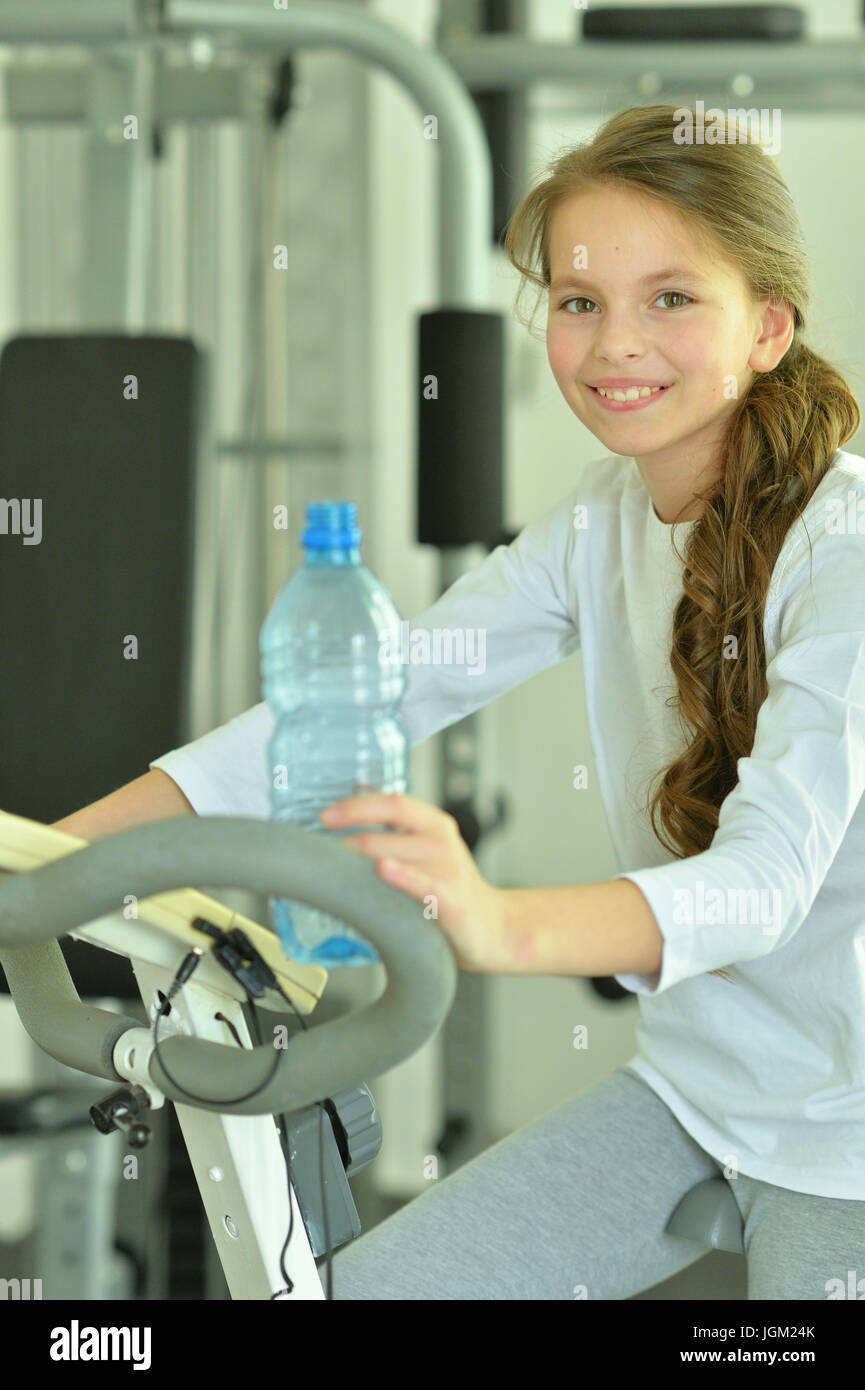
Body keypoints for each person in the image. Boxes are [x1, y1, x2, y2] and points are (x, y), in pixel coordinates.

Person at [55, 104, 865, 1300]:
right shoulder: (599, 520)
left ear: (768, 327)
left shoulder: (842, 549)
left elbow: (761, 882)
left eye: (671, 299)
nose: (612, 344)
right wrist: (55, 862)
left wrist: (496, 922)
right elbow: (373, 692)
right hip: (699, 1086)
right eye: (580, 302)